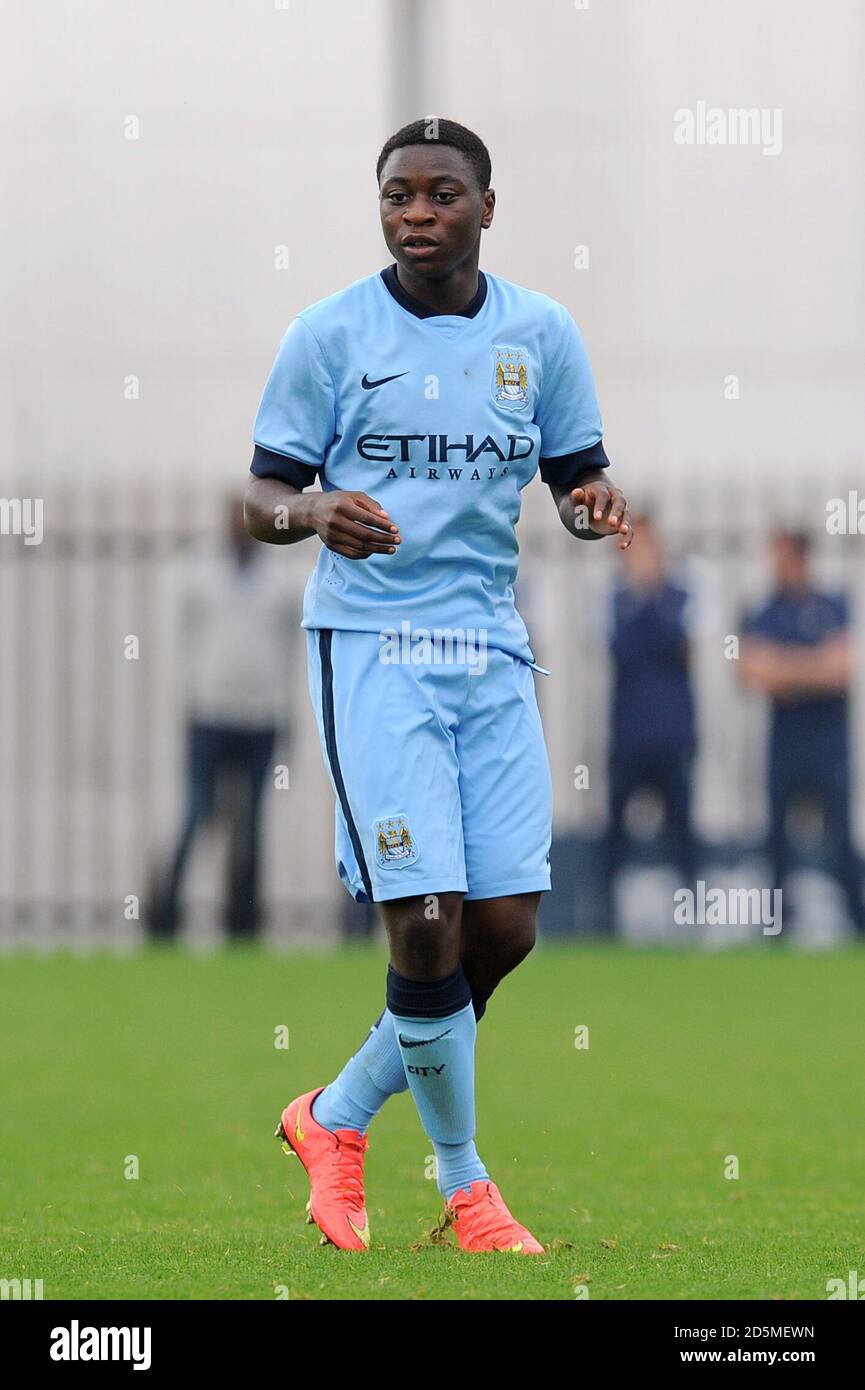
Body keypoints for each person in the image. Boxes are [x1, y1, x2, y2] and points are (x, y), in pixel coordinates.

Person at [244, 119, 632, 1254]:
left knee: (501, 928)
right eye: (397, 196)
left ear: (486, 208)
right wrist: (314, 510)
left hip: (489, 652)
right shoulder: (327, 334)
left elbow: (576, 474)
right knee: (423, 922)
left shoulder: (540, 332)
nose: (416, 214)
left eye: (441, 194)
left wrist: (590, 507)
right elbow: (260, 499)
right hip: (373, 651)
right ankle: (467, 1192)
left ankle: (333, 1113)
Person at [151, 497, 296, 941]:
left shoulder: (283, 577)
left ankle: (243, 921)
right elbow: (181, 639)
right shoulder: (199, 570)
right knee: (196, 813)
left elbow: (291, 646)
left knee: (250, 823)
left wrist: (285, 712)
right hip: (209, 713)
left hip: (262, 715)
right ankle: (164, 916)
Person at [739, 530, 863, 933]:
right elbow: (753, 671)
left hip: (827, 745)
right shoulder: (764, 610)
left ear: (799, 558)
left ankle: (856, 919)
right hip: (785, 744)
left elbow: (840, 669)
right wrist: (812, 666)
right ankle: (780, 924)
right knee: (777, 838)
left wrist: (784, 668)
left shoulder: (832, 604)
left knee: (839, 834)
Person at [605, 514, 697, 930]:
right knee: (615, 832)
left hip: (673, 733)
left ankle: (690, 915)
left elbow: (680, 646)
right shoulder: (612, 598)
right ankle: (607, 918)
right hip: (628, 734)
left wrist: (652, 596)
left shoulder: (683, 595)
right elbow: (620, 650)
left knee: (682, 830)